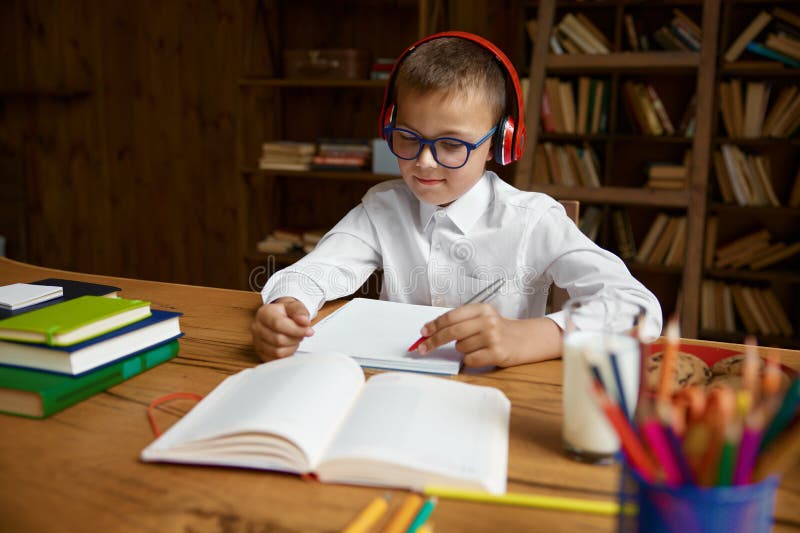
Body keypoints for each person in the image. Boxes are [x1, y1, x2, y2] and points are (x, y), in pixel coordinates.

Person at [252, 31, 662, 368]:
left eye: (451, 144)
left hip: (501, 397)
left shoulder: (533, 220)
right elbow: (315, 271)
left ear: (498, 146)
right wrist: (288, 306)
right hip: (393, 384)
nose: (425, 162)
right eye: (408, 138)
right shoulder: (383, 207)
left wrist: (532, 336)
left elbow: (638, 308)